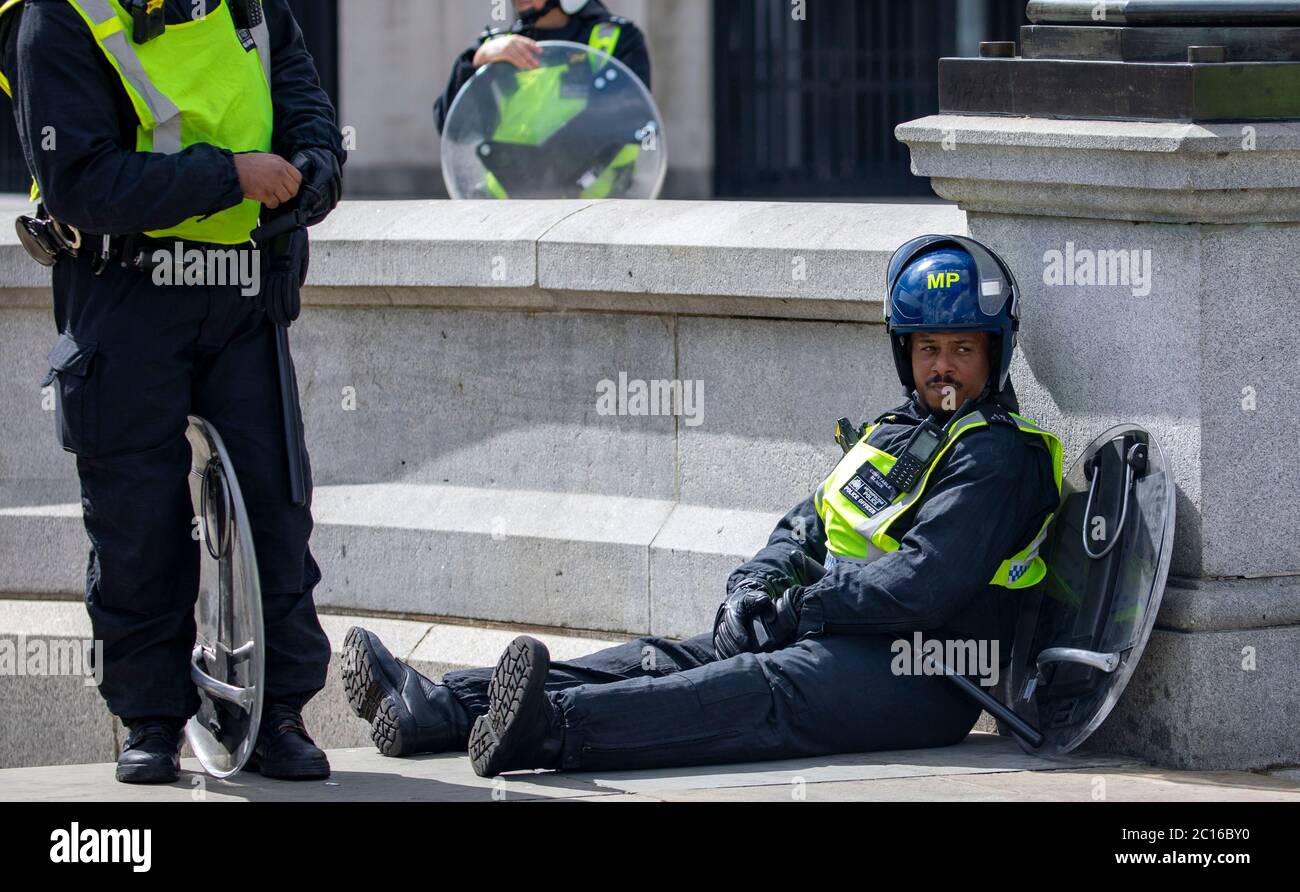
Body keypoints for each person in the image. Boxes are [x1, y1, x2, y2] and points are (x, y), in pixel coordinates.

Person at [341, 235, 1063, 777]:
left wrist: (800, 609)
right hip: (839, 632)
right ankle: (442, 707)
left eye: (962, 348)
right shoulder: (895, 432)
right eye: (928, 348)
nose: (942, 366)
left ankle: (547, 728)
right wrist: (757, 587)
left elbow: (922, 582)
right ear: (903, 352)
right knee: (671, 655)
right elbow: (806, 527)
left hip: (926, 674)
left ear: (994, 354)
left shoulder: (999, 456)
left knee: (753, 687)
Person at [0, 0, 345, 783]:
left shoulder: (248, 4)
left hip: (244, 288)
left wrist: (316, 169)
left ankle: (279, 711)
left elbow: (301, 100)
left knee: (275, 509)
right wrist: (230, 177)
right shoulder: (58, 19)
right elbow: (81, 180)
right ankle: (149, 719)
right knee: (137, 522)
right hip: (125, 292)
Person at [433, 0, 651, 136]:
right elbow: (453, 130)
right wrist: (476, 61)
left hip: (597, 202)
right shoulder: (500, 46)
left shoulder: (617, 38)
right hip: (507, 200)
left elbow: (634, 119)